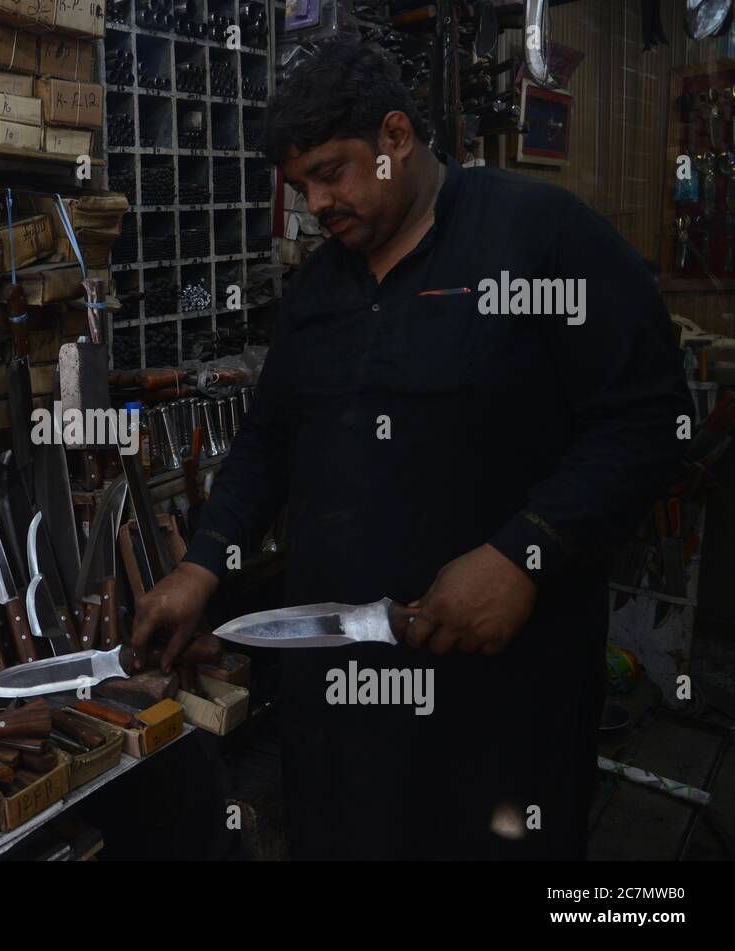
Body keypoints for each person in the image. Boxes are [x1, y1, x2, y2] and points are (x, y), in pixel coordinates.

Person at [131, 40, 694, 859]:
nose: (318, 203)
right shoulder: (319, 292)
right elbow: (268, 438)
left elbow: (649, 421)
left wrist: (521, 554)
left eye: (332, 173)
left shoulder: (539, 239)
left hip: (500, 699)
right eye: (301, 188)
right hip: (341, 700)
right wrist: (204, 561)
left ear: (395, 137)